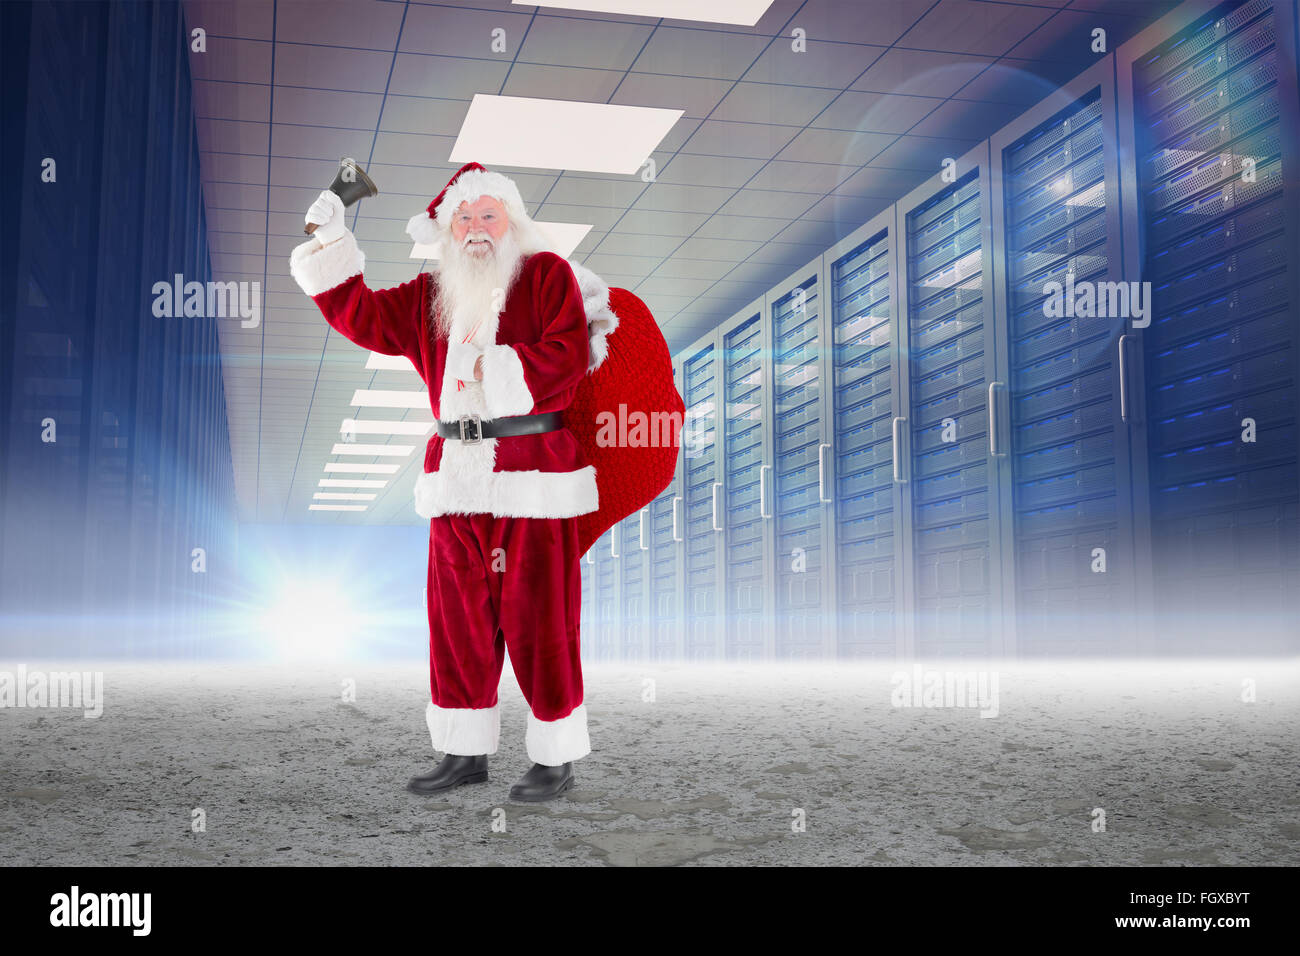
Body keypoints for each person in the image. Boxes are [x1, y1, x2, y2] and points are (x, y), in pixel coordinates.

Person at [289, 162, 616, 802]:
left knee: (540, 620)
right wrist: (332, 242)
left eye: (487, 215)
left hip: (532, 479)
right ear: (445, 230)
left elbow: (569, 357)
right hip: (455, 482)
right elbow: (362, 316)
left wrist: (490, 367)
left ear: (511, 223)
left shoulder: (546, 276)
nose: (474, 228)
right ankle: (464, 752)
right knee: (456, 620)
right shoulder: (431, 295)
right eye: (462, 218)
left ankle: (555, 757)